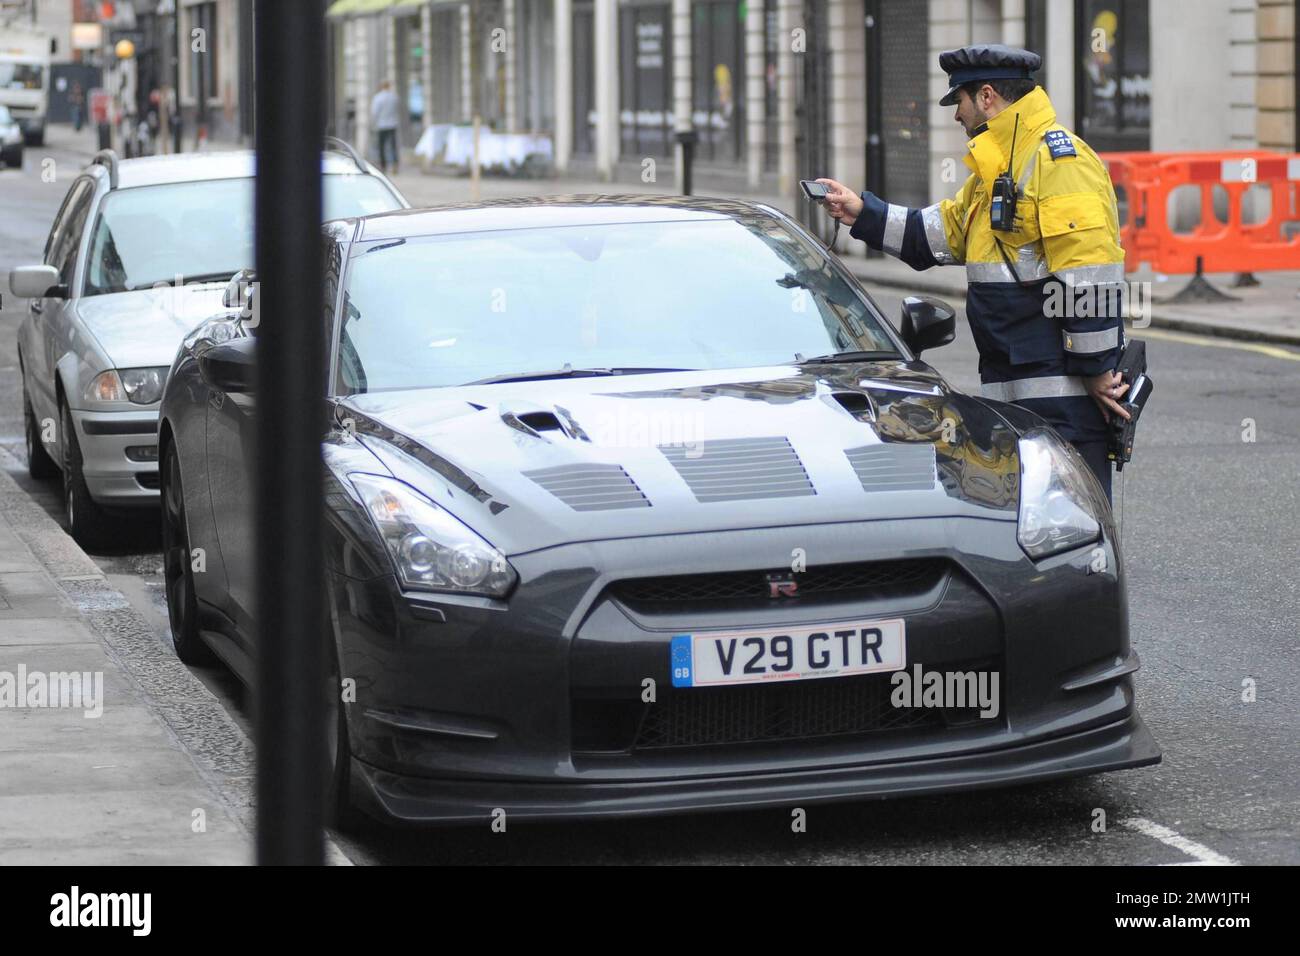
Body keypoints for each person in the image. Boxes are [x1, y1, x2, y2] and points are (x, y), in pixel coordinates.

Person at [818, 44, 1129, 500]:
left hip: (1066, 401)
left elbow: (1089, 273)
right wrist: (863, 213)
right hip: (1015, 397)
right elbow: (939, 233)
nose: (955, 115)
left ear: (986, 97)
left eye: (958, 101)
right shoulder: (996, 168)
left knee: (1071, 536)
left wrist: (1100, 369)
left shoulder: (1059, 162)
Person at [370, 81, 401, 175]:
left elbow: (375, 112)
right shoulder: (394, 97)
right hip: (392, 124)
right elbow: (397, 109)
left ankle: (383, 166)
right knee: (393, 146)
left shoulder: (378, 98)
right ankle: (395, 165)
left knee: (382, 146)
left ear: (381, 86)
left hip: (382, 125)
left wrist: (373, 123)